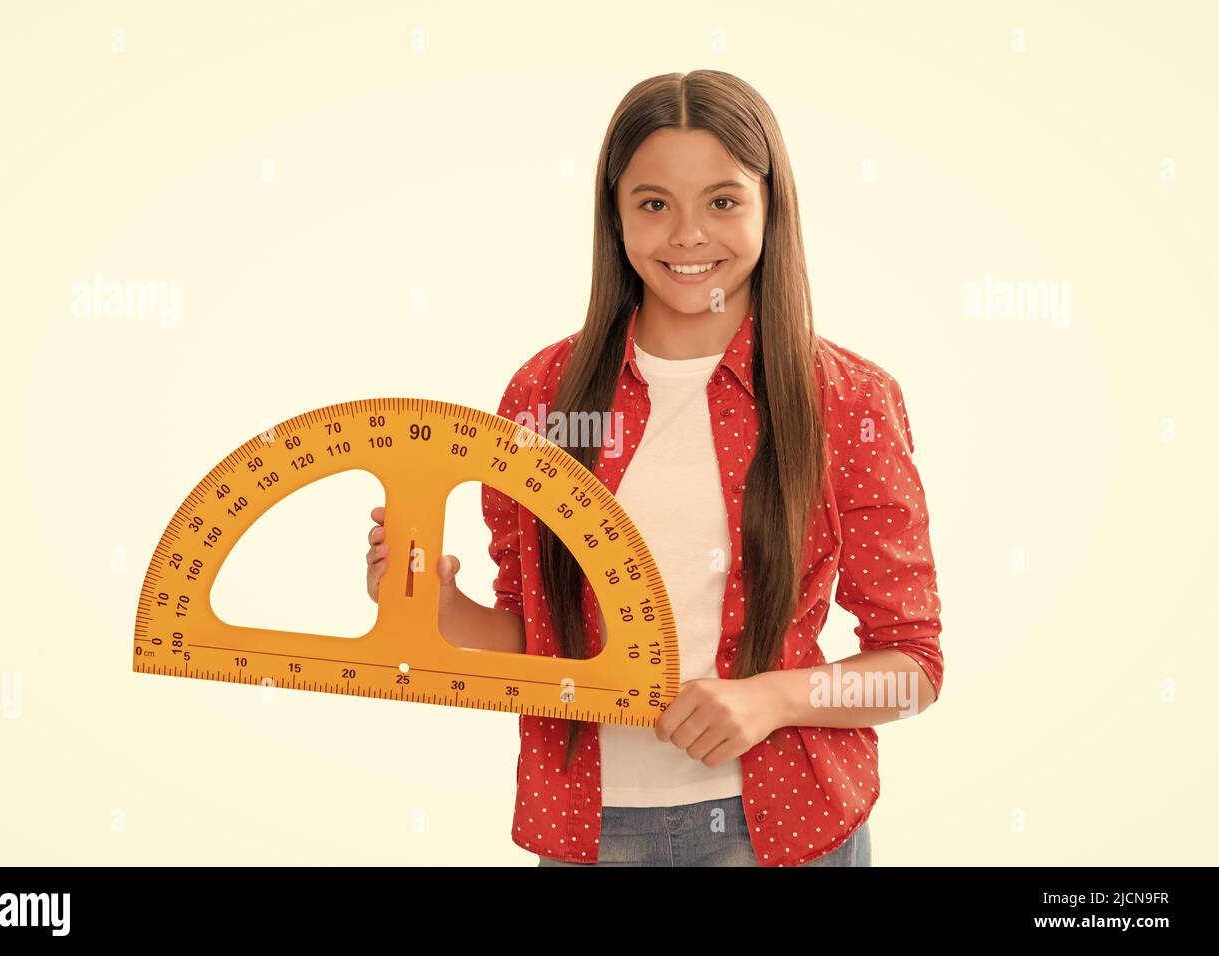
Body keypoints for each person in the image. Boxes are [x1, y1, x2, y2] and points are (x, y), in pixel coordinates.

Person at [366, 70, 944, 867]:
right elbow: (536, 645)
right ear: (615, 215)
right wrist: (436, 606)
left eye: (723, 201)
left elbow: (911, 669)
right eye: (653, 203)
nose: (687, 235)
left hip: (780, 828)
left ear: (772, 207)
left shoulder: (846, 400)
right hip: (593, 831)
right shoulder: (544, 396)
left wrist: (770, 700)